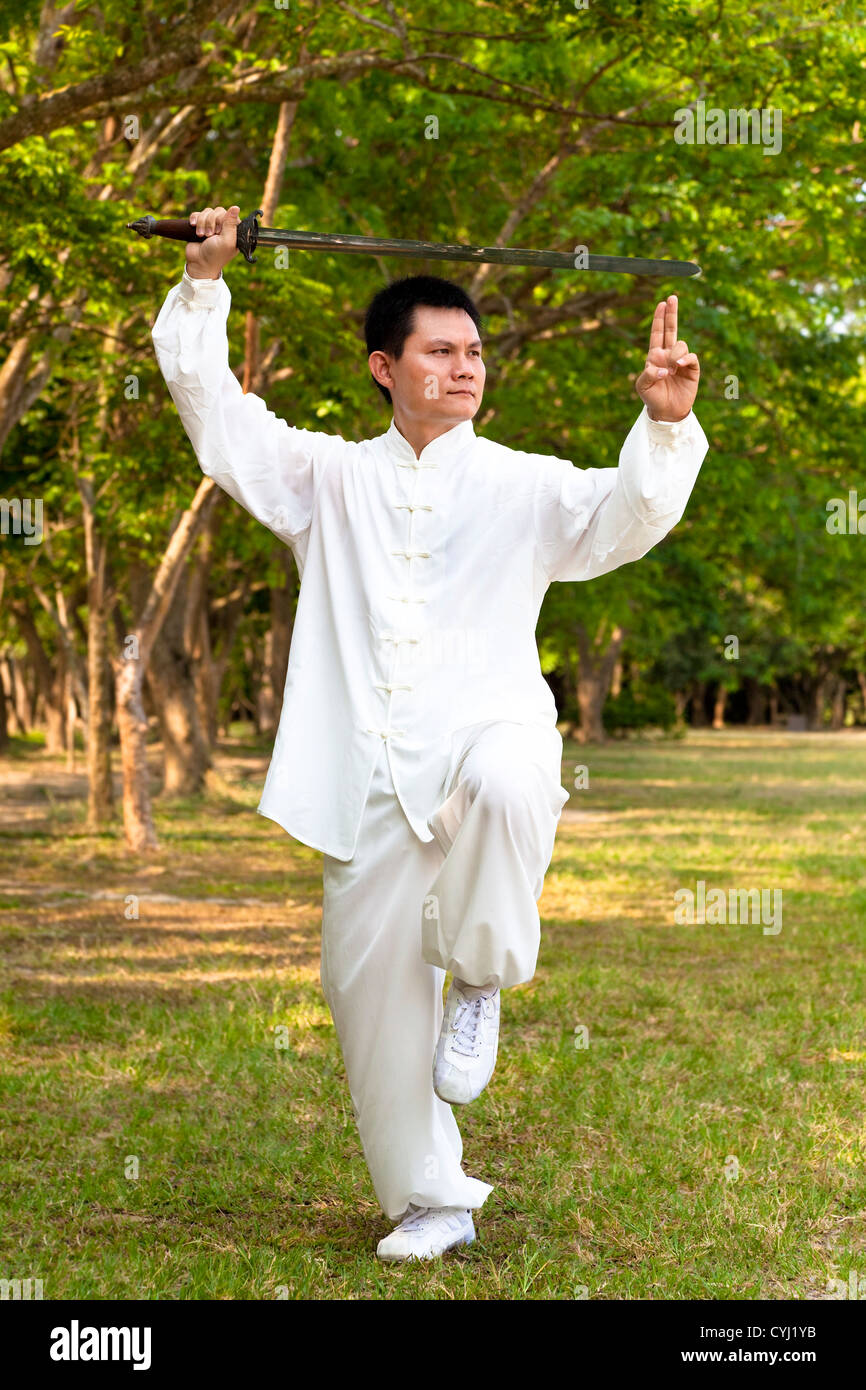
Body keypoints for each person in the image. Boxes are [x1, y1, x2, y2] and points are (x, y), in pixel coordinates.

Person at [151, 202, 708, 1264]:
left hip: (487, 735)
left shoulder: (524, 482)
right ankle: (429, 1194)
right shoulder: (325, 478)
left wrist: (666, 424)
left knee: (508, 782)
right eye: (440, 352)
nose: (464, 369)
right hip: (363, 776)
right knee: (366, 1004)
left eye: (475, 354)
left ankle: (481, 973)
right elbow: (216, 418)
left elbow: (624, 520)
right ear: (382, 367)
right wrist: (204, 283)